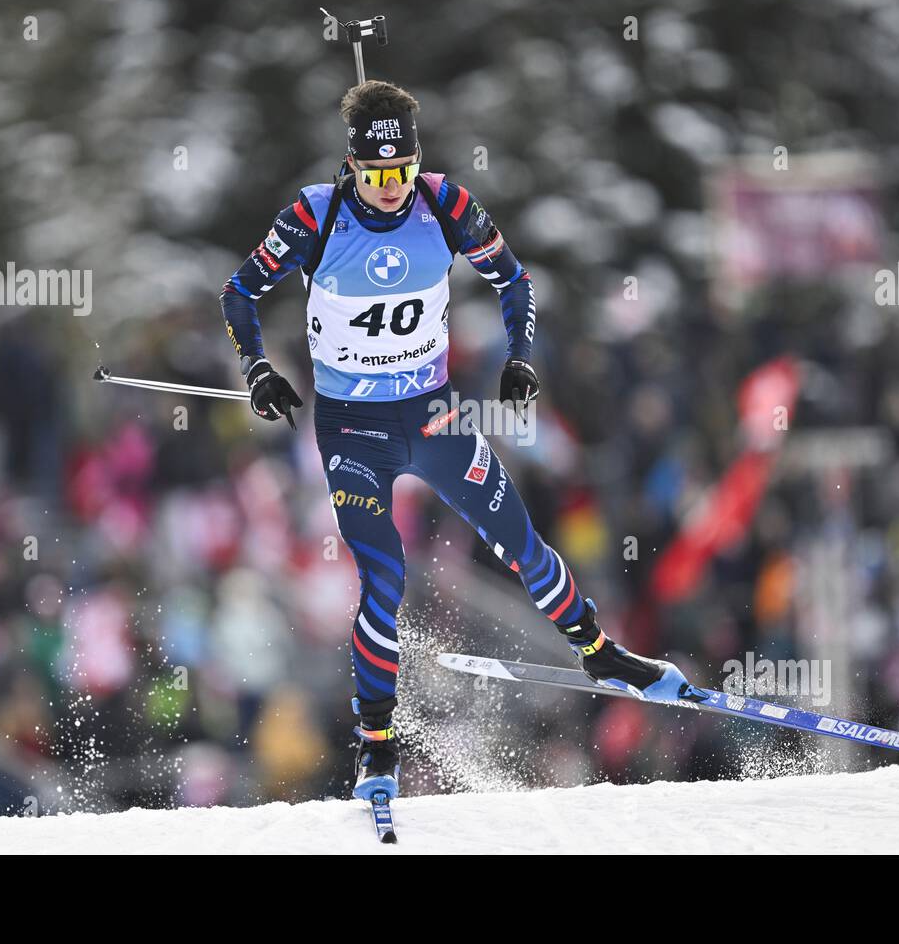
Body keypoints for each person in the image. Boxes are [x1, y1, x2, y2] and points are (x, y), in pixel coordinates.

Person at [219, 80, 692, 800]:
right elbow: (239, 291)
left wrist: (520, 359)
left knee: (520, 542)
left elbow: (515, 281)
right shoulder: (316, 215)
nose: (389, 189)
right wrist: (257, 367)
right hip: (353, 429)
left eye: (401, 172)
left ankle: (601, 655)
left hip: (433, 415)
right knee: (385, 581)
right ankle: (376, 747)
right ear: (351, 167)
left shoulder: (446, 204)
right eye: (375, 176)